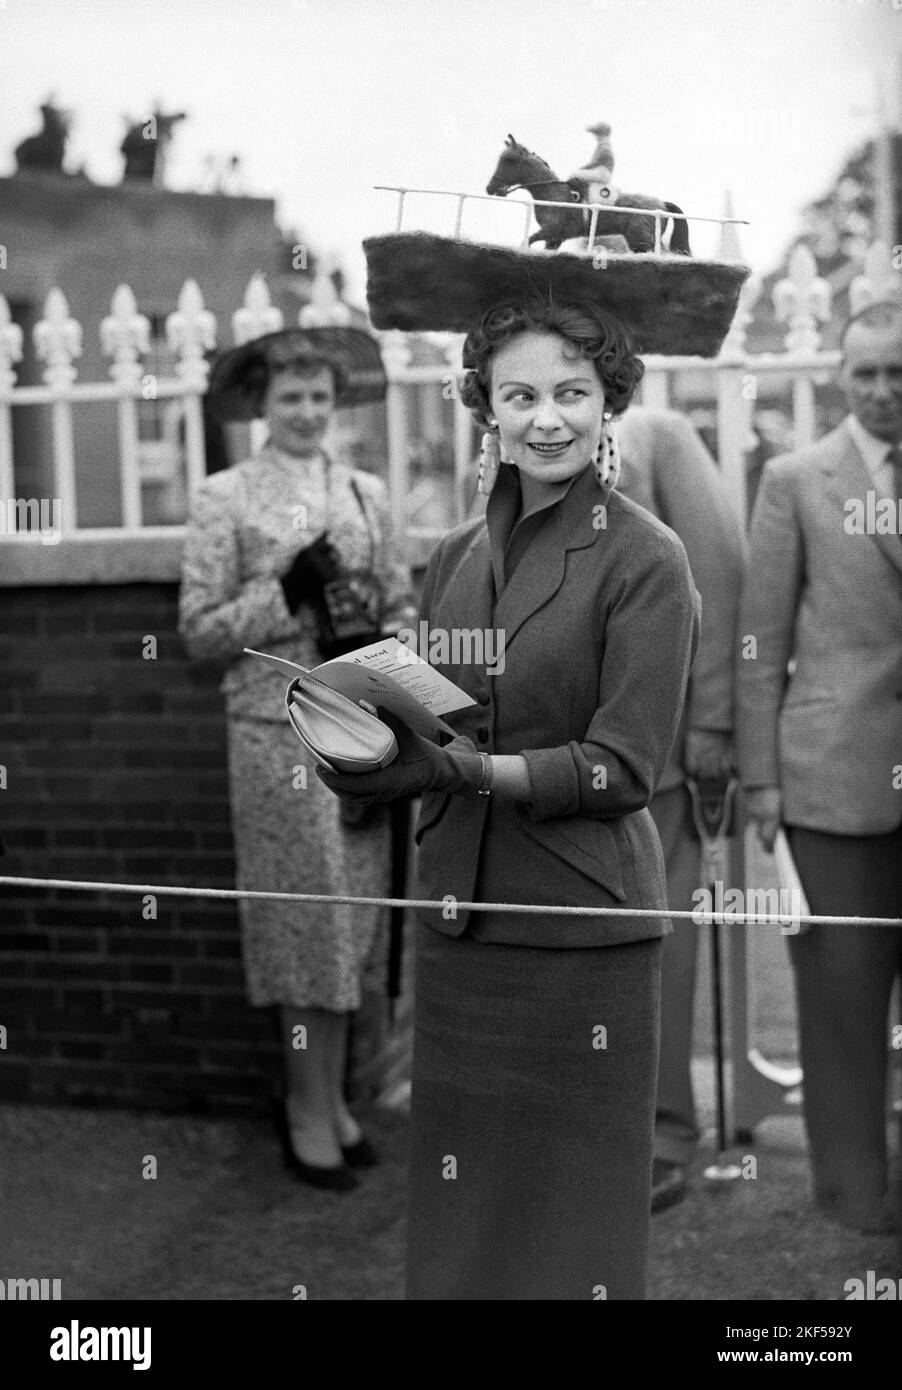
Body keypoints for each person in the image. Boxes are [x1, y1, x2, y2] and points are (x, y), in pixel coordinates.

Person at [316, 220, 748, 1297]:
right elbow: (445, 721)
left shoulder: (647, 558)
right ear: (486, 408)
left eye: (570, 392)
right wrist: (371, 744)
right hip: (460, 924)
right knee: (466, 1222)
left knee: (569, 1230)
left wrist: (459, 772)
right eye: (519, 395)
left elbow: (619, 769)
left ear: (608, 403)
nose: (545, 417)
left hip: (578, 931)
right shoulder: (455, 556)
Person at [178, 326, 416, 1193]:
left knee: (352, 927)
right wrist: (283, 591)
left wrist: (392, 661)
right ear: (261, 404)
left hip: (359, 730)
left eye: (320, 397)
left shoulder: (365, 492)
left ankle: (336, 1100)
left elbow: (400, 604)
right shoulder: (225, 496)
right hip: (273, 735)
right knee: (301, 926)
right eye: (291, 397)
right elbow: (200, 631)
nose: (308, 412)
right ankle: (305, 1107)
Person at [737, 298, 902, 1234]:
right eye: (866, 372)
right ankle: (852, 1191)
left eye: (898, 372)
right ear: (841, 377)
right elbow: (759, 642)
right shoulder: (797, 480)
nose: (882, 390)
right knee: (843, 996)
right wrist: (763, 779)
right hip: (833, 781)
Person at [616, 408, 746, 1212]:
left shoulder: (657, 435)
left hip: (652, 758)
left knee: (657, 946)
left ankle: (663, 1133)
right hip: (538, 761)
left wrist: (712, 721)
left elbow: (720, 575)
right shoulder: (505, 430)